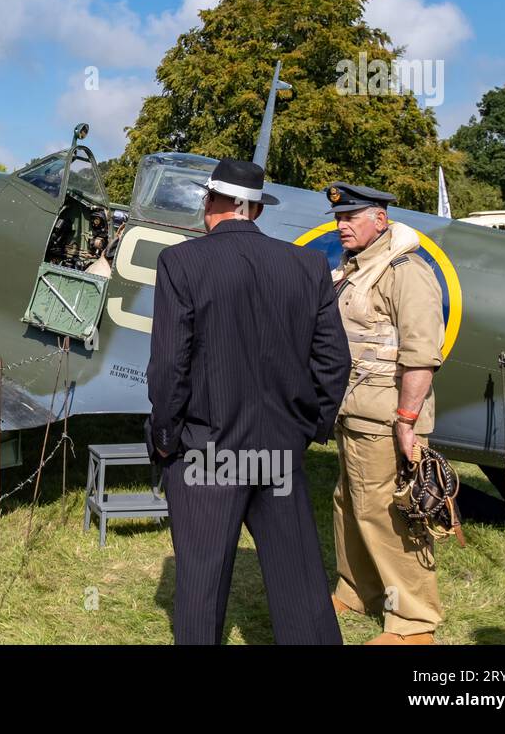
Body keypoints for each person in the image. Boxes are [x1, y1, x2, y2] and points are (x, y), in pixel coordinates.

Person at [147, 158, 350, 645]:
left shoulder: (181, 262)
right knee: (300, 586)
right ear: (255, 210)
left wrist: (165, 439)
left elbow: (170, 367)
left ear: (210, 202)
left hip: (205, 452)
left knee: (200, 584)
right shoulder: (306, 264)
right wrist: (309, 430)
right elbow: (334, 363)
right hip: (280, 448)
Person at [324, 181, 446, 645]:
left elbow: (420, 355)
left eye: (351, 217)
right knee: (350, 503)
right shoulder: (357, 268)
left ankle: (414, 623)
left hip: (385, 418)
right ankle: (358, 589)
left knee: (392, 513)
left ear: (380, 219)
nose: (342, 225)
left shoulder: (405, 271)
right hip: (353, 412)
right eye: (339, 218)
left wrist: (407, 422)